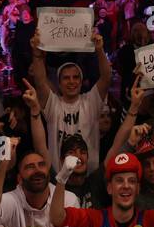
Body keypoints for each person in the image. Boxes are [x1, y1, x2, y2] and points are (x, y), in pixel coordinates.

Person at [29, 30, 111, 173]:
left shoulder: (90, 101)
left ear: (81, 81)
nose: (71, 81)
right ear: (59, 84)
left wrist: (100, 50)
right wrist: (36, 55)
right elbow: (40, 82)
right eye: (66, 78)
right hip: (59, 178)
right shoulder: (53, 104)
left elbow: (106, 78)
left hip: (88, 176)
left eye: (75, 77)